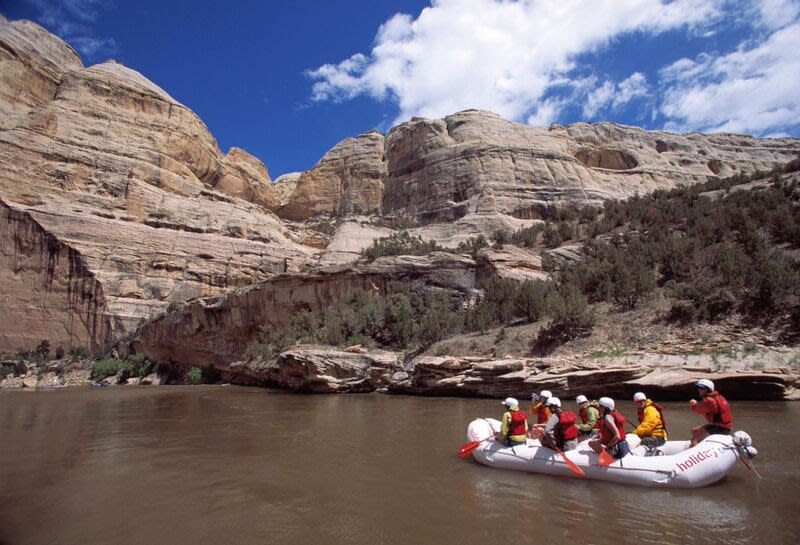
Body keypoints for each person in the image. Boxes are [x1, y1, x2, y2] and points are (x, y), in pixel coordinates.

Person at [690, 379, 732, 446]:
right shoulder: (719, 397)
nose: (699, 390)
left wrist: (693, 404)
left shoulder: (709, 400)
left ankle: (699, 453)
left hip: (718, 427)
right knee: (694, 430)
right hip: (724, 427)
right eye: (698, 388)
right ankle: (705, 445)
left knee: (694, 440)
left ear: (708, 389)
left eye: (702, 388)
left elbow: (697, 411)